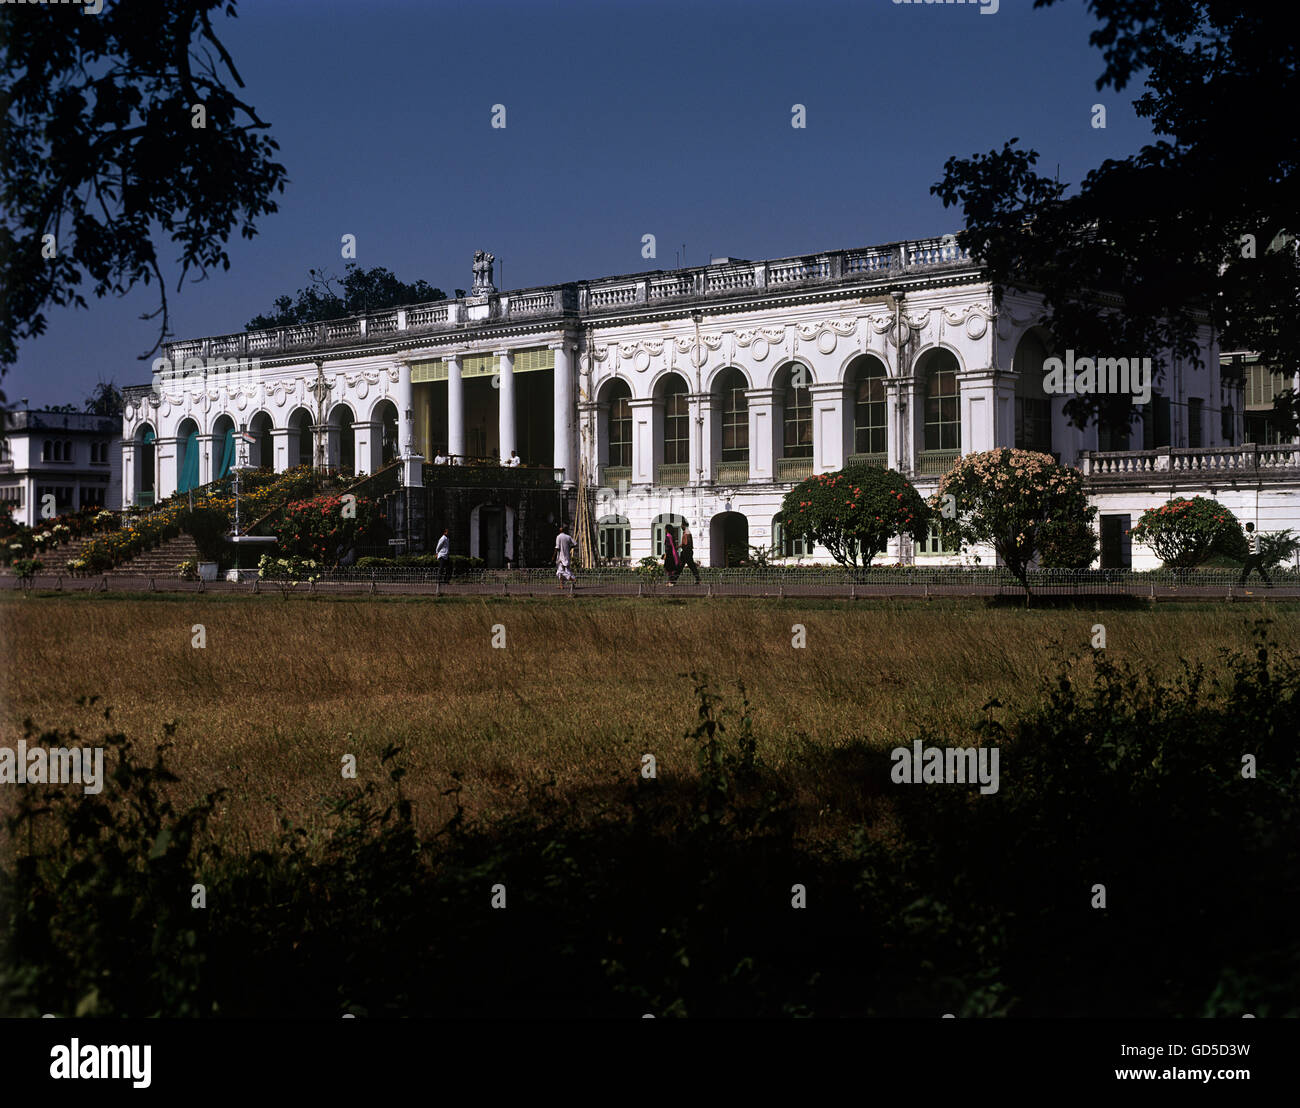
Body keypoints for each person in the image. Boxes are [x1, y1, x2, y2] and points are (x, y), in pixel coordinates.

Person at [1238, 522, 1274, 589]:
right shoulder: (1252, 535)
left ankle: (1269, 584)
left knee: (1259, 570)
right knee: (1247, 569)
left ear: (1249, 528)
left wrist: (1257, 556)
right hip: (1251, 555)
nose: (1246, 529)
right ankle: (1241, 583)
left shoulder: (1255, 535)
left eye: (1247, 527)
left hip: (1255, 555)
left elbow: (1257, 546)